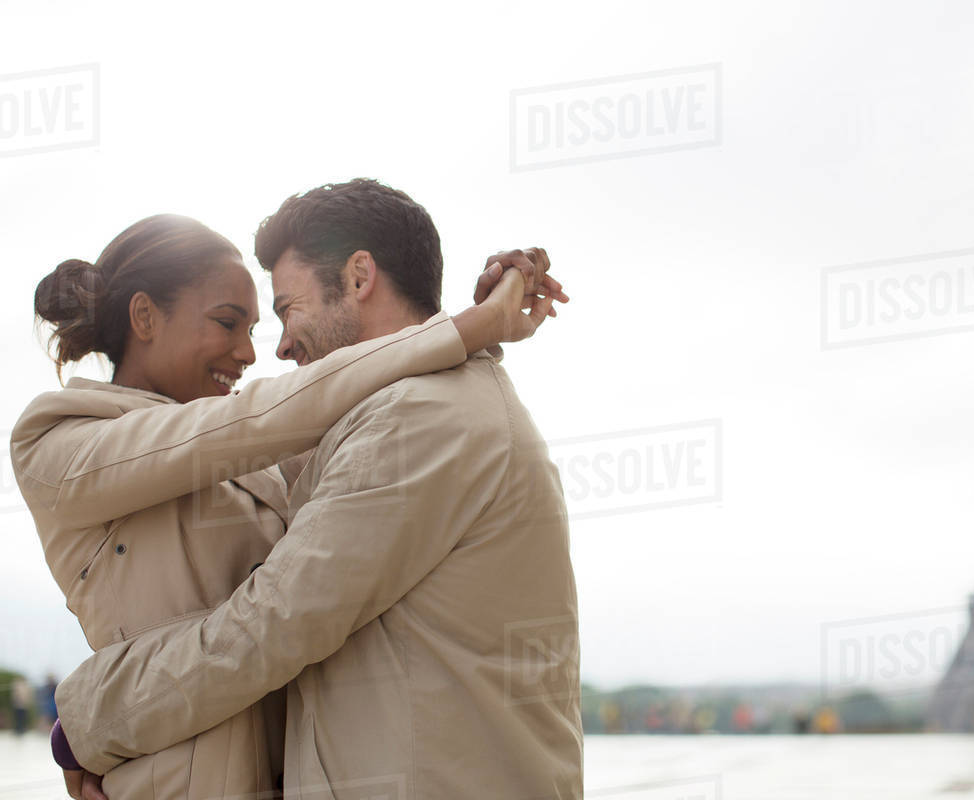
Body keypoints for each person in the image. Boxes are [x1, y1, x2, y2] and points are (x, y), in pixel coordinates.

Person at [54, 179, 583, 799]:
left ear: (359, 277)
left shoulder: (419, 419)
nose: (276, 345)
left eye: (286, 308)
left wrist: (86, 725)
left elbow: (269, 627)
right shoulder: (404, 413)